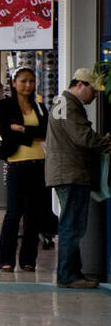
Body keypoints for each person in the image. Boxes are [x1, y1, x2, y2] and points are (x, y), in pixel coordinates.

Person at [44, 67, 111, 288]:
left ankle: (74, 272)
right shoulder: (70, 106)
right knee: (72, 226)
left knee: (70, 225)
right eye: (94, 90)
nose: (96, 96)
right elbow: (82, 137)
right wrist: (106, 142)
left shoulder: (61, 103)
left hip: (65, 172)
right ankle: (68, 276)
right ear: (80, 85)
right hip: (71, 173)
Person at [0, 67, 51, 272]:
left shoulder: (39, 106)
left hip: (39, 164)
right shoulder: (6, 105)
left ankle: (28, 260)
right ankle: (5, 259)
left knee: (33, 215)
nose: (28, 85)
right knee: (13, 213)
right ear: (14, 83)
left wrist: (22, 129)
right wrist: (28, 134)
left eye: (31, 81)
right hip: (17, 164)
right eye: (24, 81)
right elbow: (6, 133)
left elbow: (46, 132)